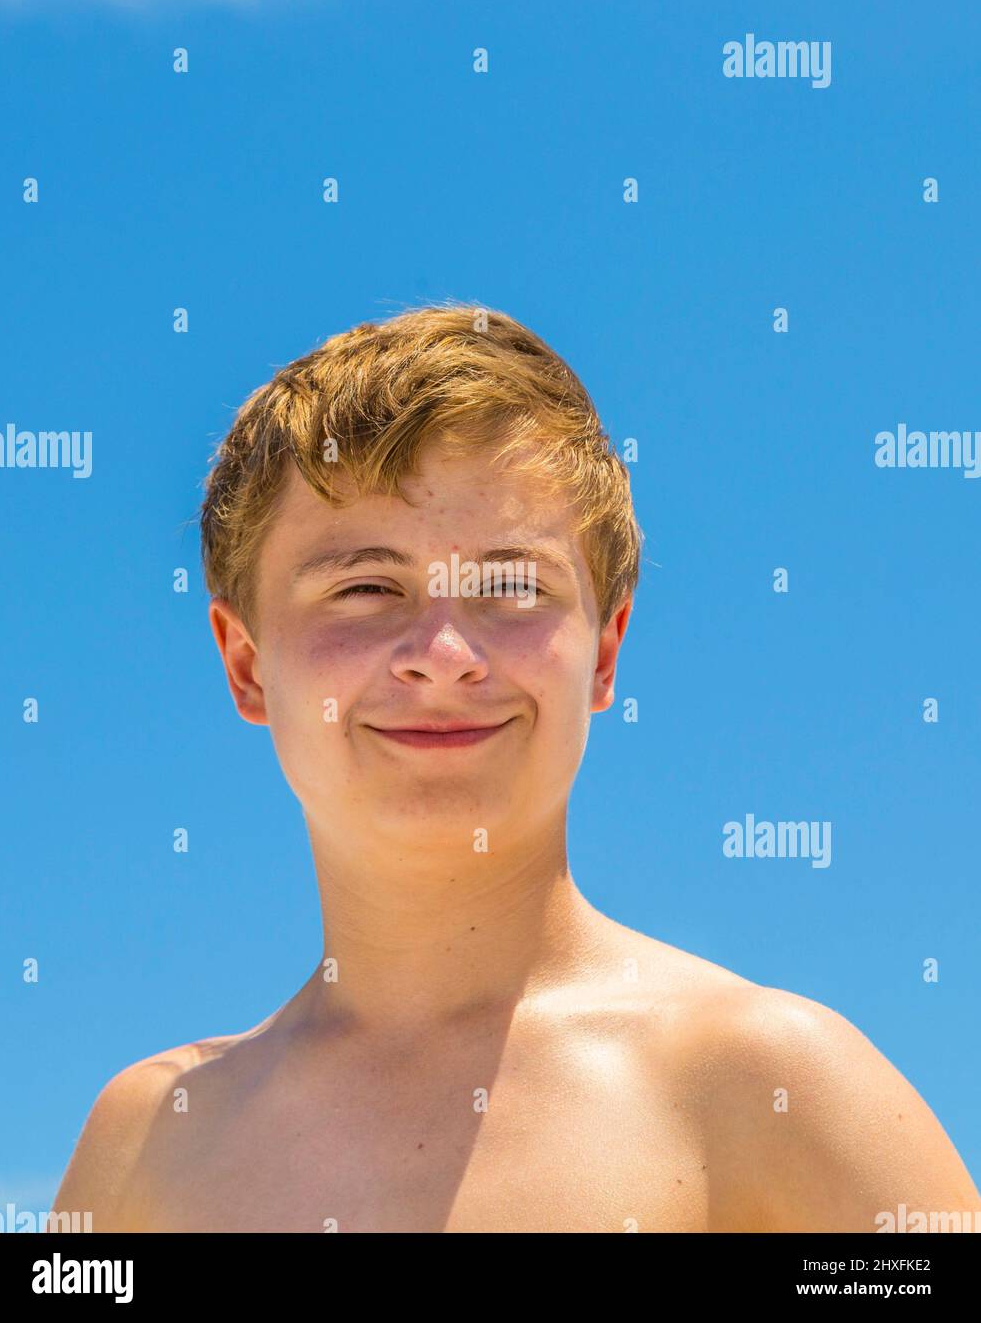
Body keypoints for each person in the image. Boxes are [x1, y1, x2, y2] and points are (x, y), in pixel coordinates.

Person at [50, 303, 981, 1233]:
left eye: (511, 586)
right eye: (366, 587)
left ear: (605, 655)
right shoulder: (147, 1146)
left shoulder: (767, 1089)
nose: (444, 652)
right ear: (246, 663)